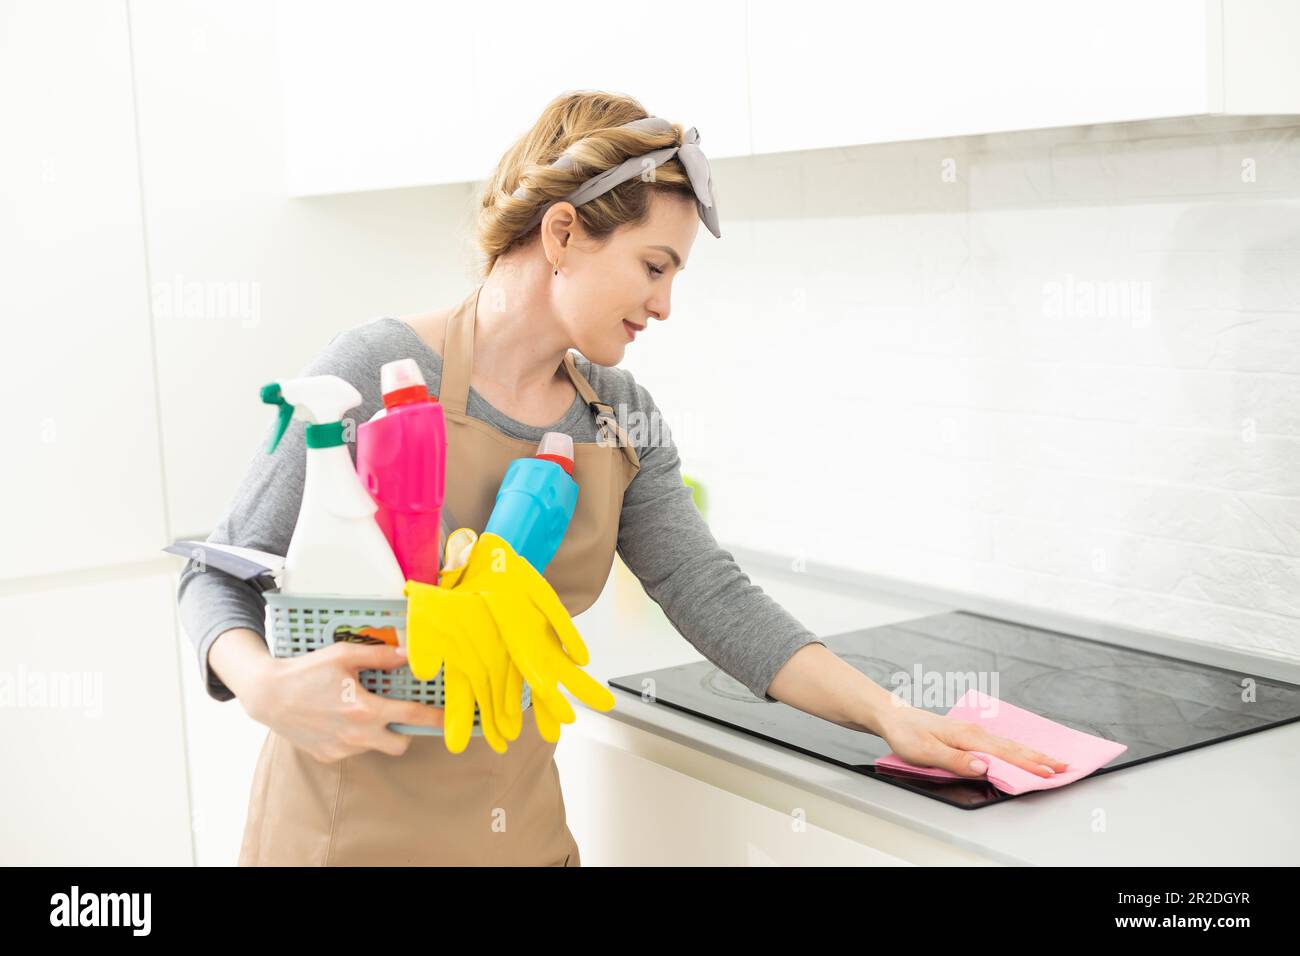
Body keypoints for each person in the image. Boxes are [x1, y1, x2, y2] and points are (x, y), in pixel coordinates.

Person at [177, 91, 1067, 866]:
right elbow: (219, 573)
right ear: (562, 232)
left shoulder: (617, 413)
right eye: (654, 266)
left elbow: (706, 589)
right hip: (340, 844)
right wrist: (263, 688)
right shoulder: (376, 367)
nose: (665, 304)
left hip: (517, 841)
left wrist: (887, 715)